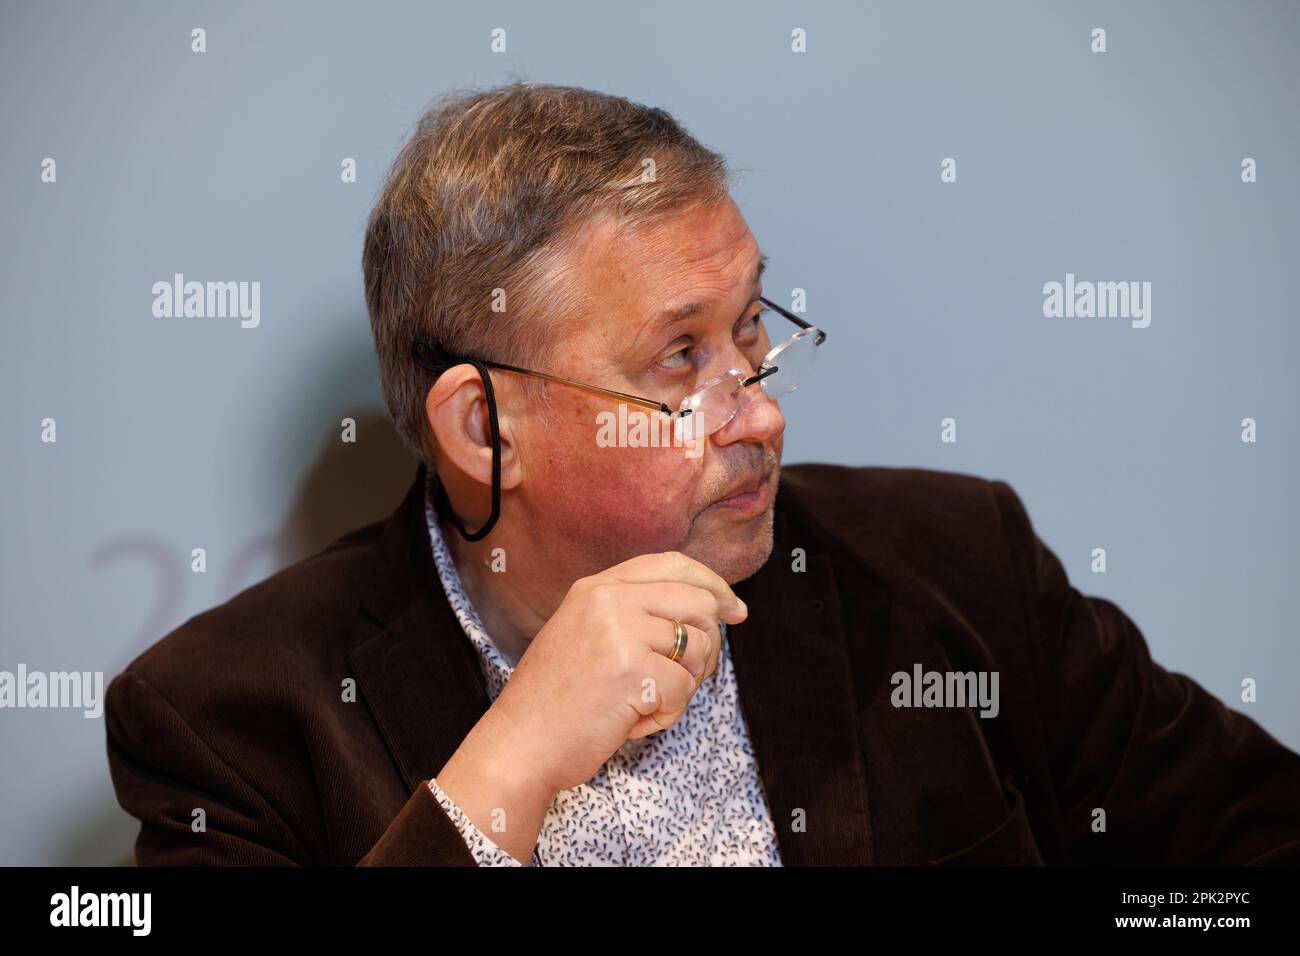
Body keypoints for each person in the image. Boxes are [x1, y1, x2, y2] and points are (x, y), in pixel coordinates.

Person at [104, 82, 1300, 866]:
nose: (762, 411)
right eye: (681, 359)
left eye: (747, 332)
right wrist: (506, 769)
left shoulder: (956, 569)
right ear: (483, 430)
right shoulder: (233, 720)